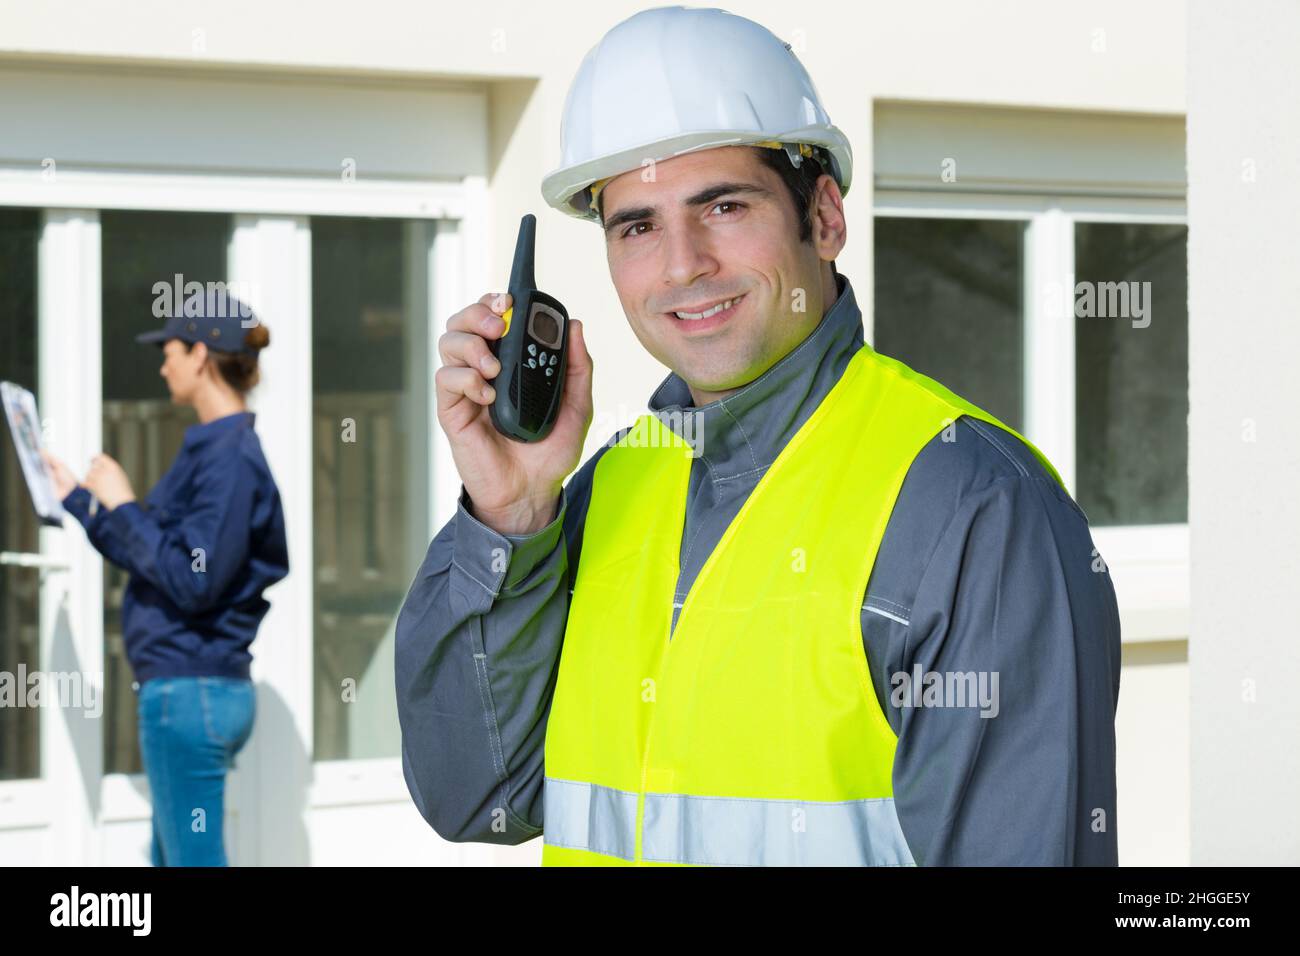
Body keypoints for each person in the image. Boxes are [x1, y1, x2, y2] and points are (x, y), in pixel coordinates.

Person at [395, 5, 1121, 866]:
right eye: (637, 225)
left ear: (824, 217)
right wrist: (510, 516)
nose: (680, 265)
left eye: (725, 205)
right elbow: (478, 798)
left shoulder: (976, 507)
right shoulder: (603, 491)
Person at [43, 289, 288, 867]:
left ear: (202, 355)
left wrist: (124, 504)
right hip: (188, 689)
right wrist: (80, 500)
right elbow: (162, 554)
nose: (163, 364)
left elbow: (193, 579)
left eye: (171, 350)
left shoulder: (230, 460)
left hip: (192, 690)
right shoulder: (214, 451)